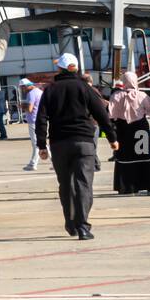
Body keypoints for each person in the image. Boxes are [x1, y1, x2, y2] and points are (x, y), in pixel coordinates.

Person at [36, 52, 116, 240]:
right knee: (83, 185)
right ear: (76, 68)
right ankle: (83, 227)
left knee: (65, 185)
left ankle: (70, 222)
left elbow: (41, 118)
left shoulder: (50, 90)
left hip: (59, 144)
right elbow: (101, 113)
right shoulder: (85, 88)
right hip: (84, 143)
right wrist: (112, 137)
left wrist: (41, 144)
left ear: (60, 68)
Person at [108, 71, 150, 195]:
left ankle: (128, 187)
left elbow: (111, 114)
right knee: (145, 155)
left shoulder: (117, 96)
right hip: (141, 128)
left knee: (126, 157)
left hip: (124, 129)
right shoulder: (142, 95)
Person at [20, 78, 45, 171]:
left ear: (27, 86)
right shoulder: (39, 91)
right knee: (41, 142)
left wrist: (22, 106)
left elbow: (30, 109)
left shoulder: (31, 94)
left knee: (36, 143)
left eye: (23, 87)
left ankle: (33, 163)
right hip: (40, 119)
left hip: (33, 120)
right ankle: (54, 162)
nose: (22, 89)